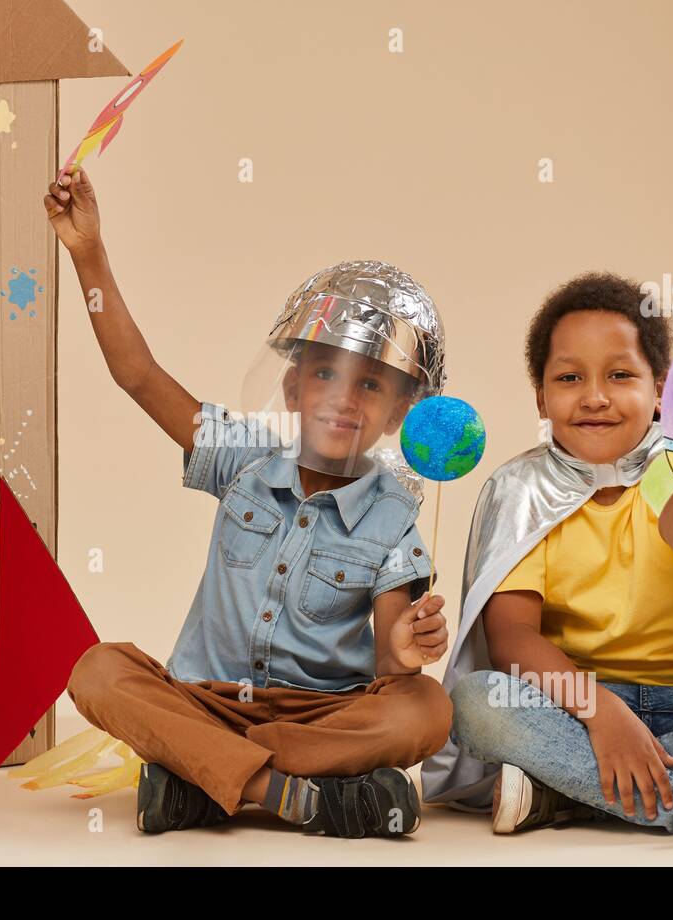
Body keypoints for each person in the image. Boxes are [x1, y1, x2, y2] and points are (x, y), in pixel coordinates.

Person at [44, 165, 454, 838]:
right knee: (97, 669)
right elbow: (138, 374)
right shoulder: (245, 458)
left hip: (321, 718)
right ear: (292, 389)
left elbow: (388, 664)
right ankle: (282, 792)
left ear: (399, 414)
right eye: (324, 373)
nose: (343, 399)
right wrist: (88, 252)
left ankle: (203, 780)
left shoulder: (394, 517)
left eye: (371, 385)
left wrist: (406, 651)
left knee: (426, 709)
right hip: (206, 702)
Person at [421, 272, 673, 846]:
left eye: (620, 375)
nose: (595, 396)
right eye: (569, 378)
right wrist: (603, 715)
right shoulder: (520, 488)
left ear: (662, 389)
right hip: (575, 705)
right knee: (475, 702)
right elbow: (513, 639)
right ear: (540, 397)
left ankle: (561, 790)